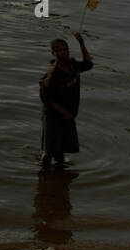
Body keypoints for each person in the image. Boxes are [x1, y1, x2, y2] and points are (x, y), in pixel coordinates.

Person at [38, 33, 94, 169]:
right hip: (53, 114)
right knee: (49, 151)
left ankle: (59, 174)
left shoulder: (73, 65)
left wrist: (81, 43)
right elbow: (45, 98)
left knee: (61, 149)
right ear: (53, 53)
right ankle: (43, 177)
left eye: (65, 49)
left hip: (68, 113)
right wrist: (63, 113)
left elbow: (88, 64)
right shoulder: (53, 73)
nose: (63, 52)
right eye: (59, 50)